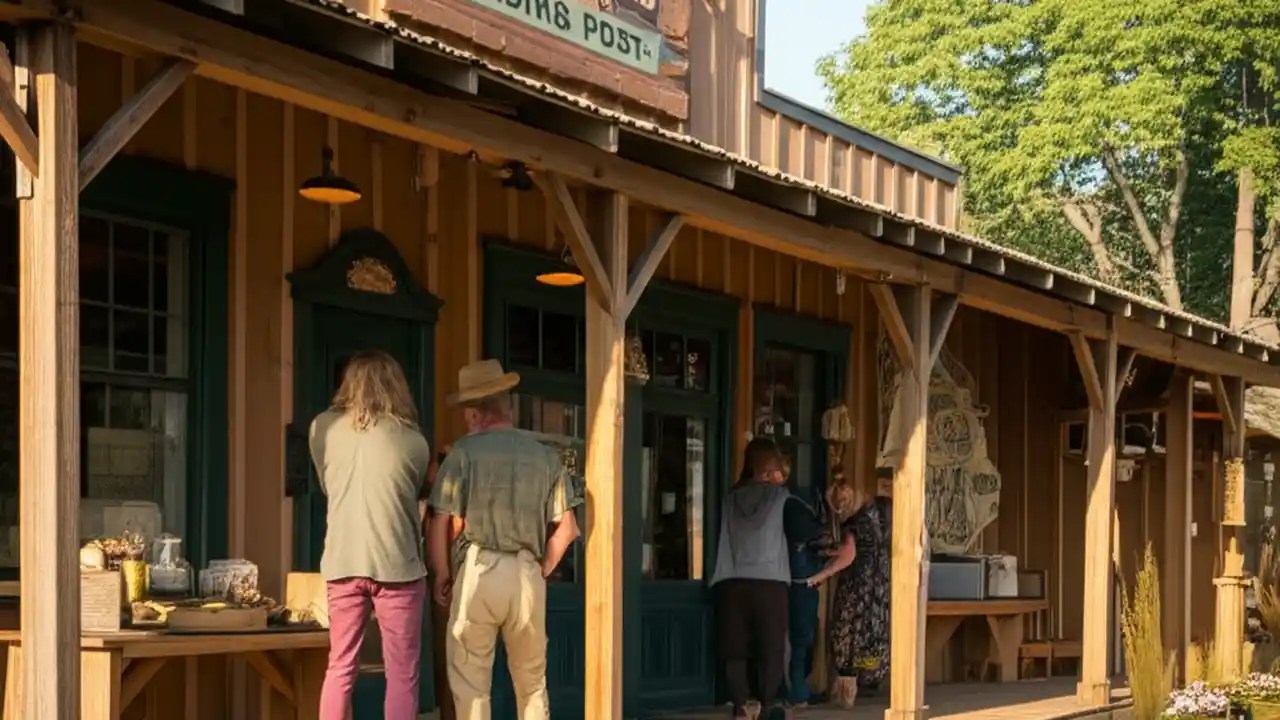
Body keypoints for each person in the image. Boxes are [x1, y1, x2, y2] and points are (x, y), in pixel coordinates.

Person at [428, 359, 582, 720]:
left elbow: (439, 522)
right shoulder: (545, 456)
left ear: (472, 415)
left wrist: (441, 575)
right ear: (507, 407)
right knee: (531, 683)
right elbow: (568, 528)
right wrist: (539, 566)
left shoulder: (463, 454)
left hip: (478, 571)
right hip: (526, 573)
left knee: (471, 684)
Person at [311, 350, 431, 720]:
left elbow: (327, 486)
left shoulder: (322, 429)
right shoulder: (414, 442)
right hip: (398, 566)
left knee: (340, 666)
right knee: (402, 674)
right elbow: (414, 494)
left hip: (344, 560)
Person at [711, 438, 808, 720]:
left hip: (731, 579)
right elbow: (807, 528)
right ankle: (768, 704)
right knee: (772, 647)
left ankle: (741, 705)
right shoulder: (781, 498)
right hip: (771, 581)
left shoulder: (730, 498)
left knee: (735, 647)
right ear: (768, 470)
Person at [826, 480, 890, 708]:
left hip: (856, 582)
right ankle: (870, 679)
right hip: (881, 582)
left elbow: (847, 554)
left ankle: (846, 692)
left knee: (847, 631)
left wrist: (823, 573)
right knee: (874, 631)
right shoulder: (884, 512)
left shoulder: (853, 524)